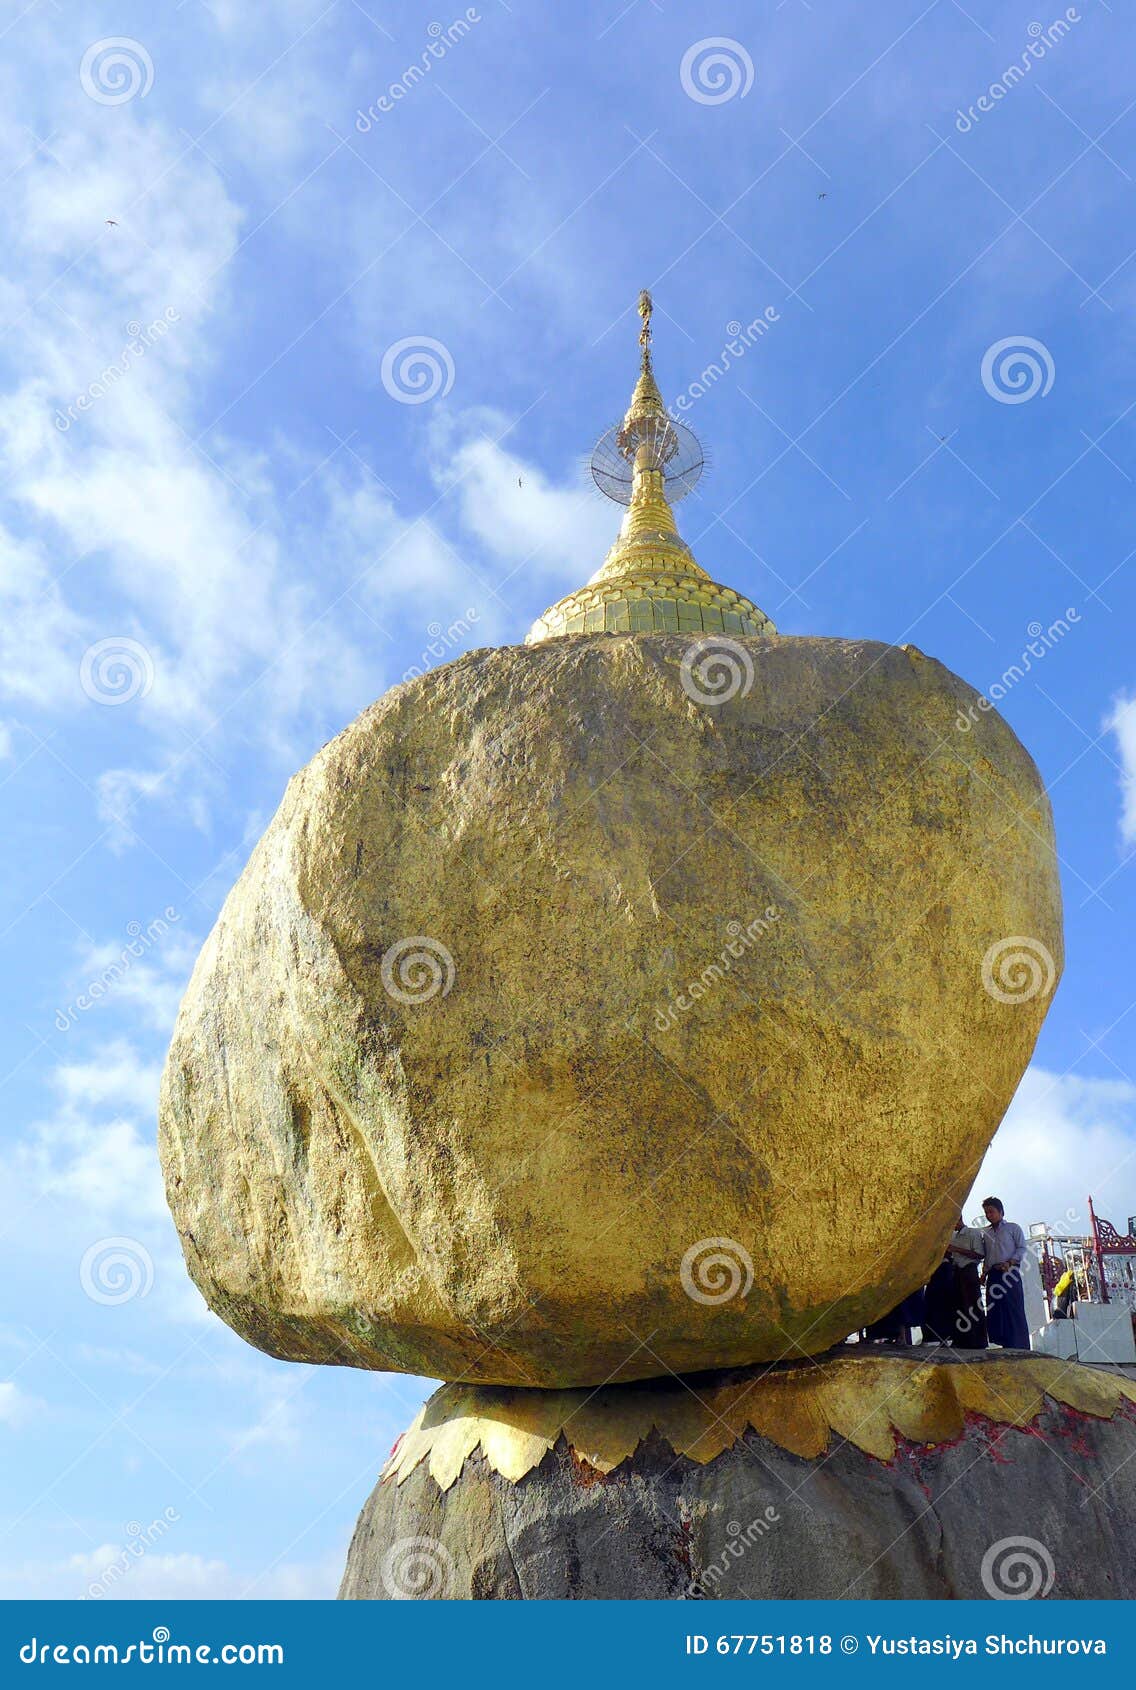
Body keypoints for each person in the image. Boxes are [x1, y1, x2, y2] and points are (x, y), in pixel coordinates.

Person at [981, 1196, 1030, 1349]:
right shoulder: (986, 1233)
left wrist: (1010, 1262)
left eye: (991, 1211)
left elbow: (1022, 1248)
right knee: (995, 1307)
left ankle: (1019, 1345)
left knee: (1013, 1306)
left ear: (1001, 1212)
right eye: (986, 1212)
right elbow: (987, 1256)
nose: (989, 1215)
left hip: (1009, 1271)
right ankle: (1002, 1343)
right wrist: (984, 1273)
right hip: (993, 1273)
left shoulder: (1013, 1228)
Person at [948, 1214, 988, 1349]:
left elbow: (979, 1254)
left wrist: (956, 1249)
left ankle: (978, 1341)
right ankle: (960, 1340)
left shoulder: (973, 1233)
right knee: (957, 1306)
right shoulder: (952, 1236)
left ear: (959, 1219)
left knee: (973, 1305)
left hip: (969, 1271)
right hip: (956, 1271)